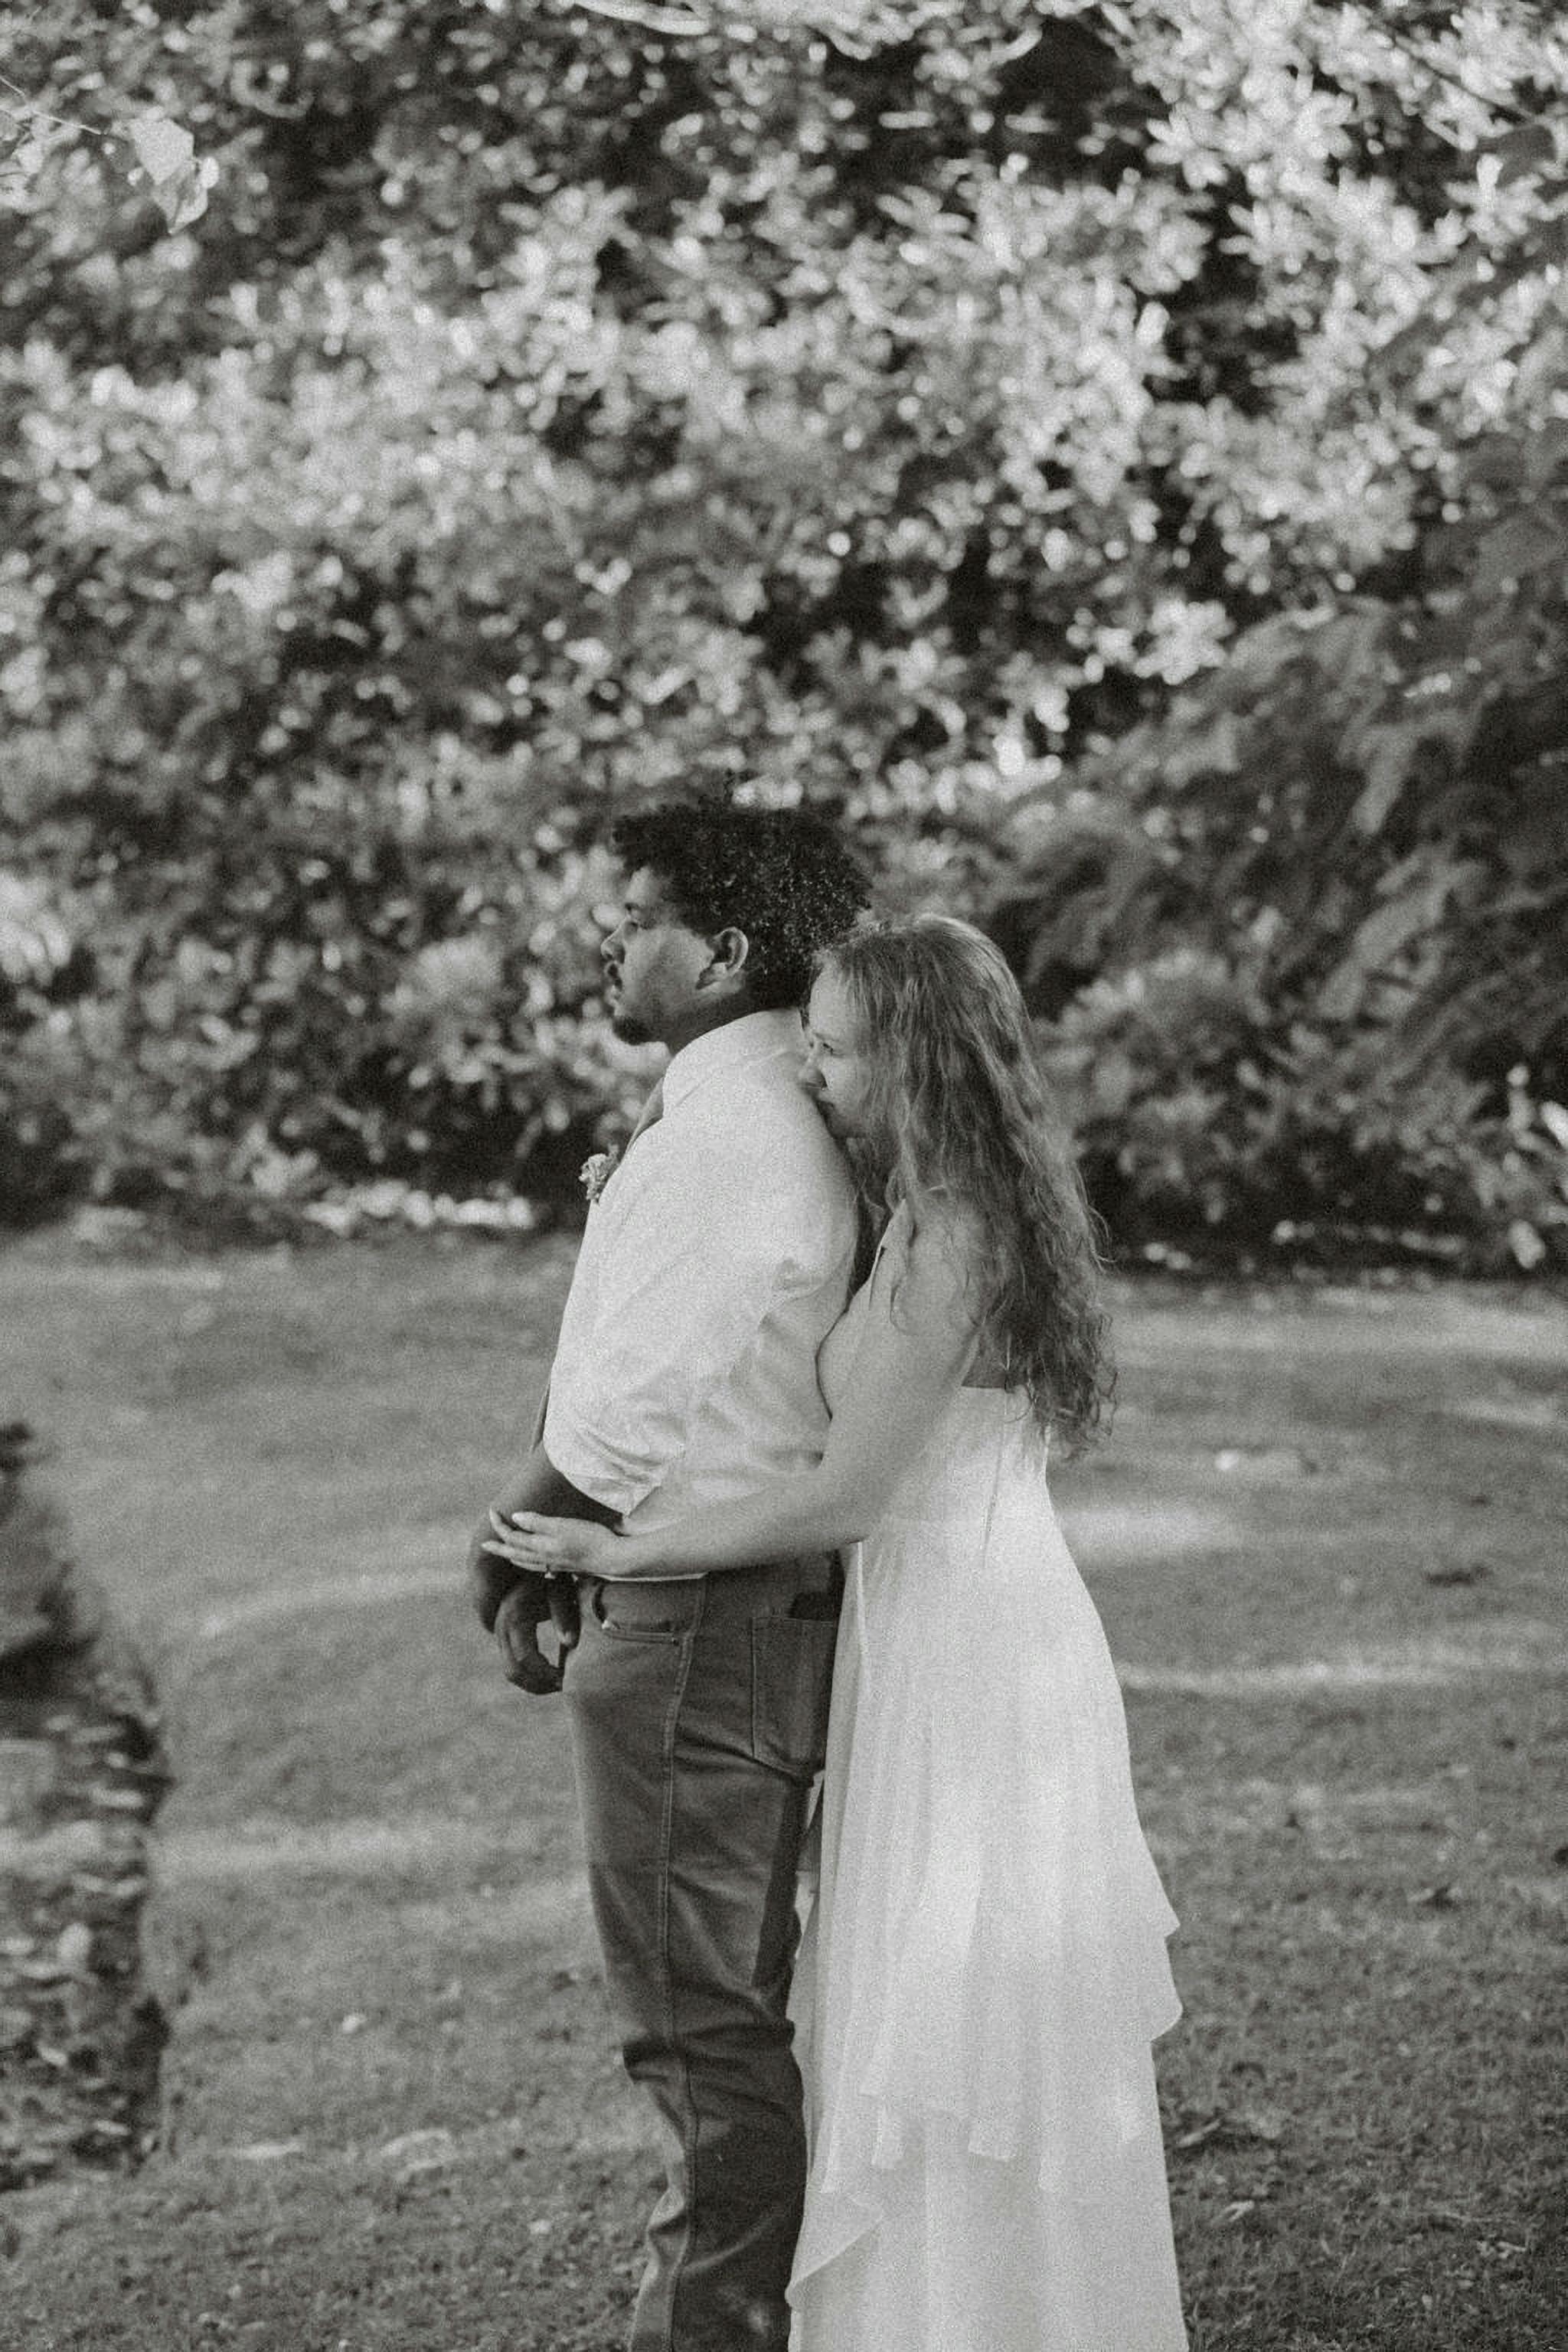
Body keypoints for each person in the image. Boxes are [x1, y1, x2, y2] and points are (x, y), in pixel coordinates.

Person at [488, 912, 1189, 2352]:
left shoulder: (961, 1237)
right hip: (918, 1627)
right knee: (906, 2003)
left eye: (835, 1050)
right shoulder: (919, 1209)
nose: (809, 1072)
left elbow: (846, 1497)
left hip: (968, 1643)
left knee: (964, 2016)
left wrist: (625, 1547)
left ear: (916, 1063)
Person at [468, 797, 870, 2352]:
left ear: (725, 952)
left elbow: (624, 1417)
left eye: (635, 917)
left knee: (698, 2031)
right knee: (711, 2014)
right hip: (717, 1612)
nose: (606, 938)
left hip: (701, 1632)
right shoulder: (756, 1106)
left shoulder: (729, 1135)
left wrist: (500, 1550)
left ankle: (706, 2330)